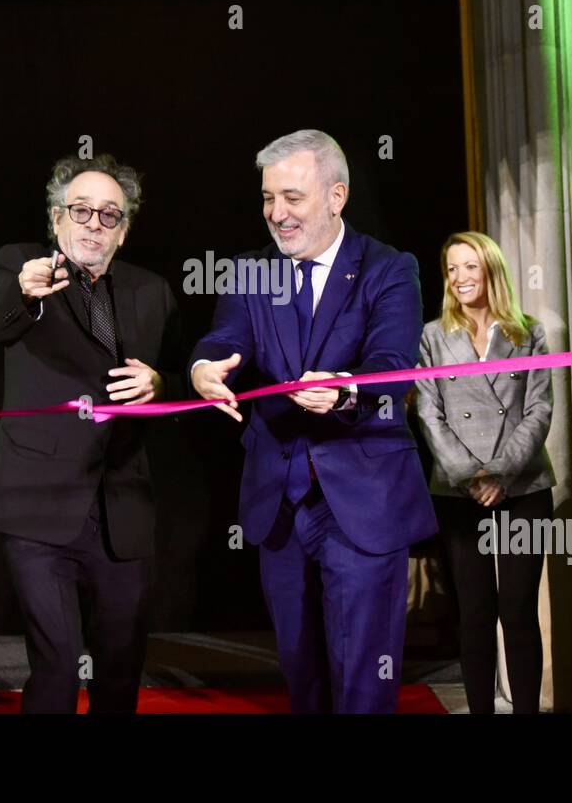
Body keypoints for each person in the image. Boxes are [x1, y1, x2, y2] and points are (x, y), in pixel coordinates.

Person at [190, 129, 436, 713]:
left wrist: (347, 390)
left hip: (361, 499)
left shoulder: (389, 268)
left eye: (292, 198)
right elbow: (226, 337)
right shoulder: (249, 270)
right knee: (302, 674)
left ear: (336, 195)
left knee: (362, 679)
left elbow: (393, 366)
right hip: (277, 502)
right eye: (269, 198)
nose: (277, 214)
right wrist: (205, 366)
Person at [0, 154, 180, 713]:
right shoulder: (22, 265)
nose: (94, 223)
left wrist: (160, 384)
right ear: (57, 217)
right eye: (81, 210)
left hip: (121, 507)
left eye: (109, 214)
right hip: (37, 505)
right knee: (58, 665)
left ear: (124, 229)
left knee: (119, 668)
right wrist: (22, 290)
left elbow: (185, 377)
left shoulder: (152, 291)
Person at [414, 231, 554, 713]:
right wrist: (470, 476)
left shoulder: (529, 332)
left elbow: (539, 410)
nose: (459, 278)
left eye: (469, 267)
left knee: (517, 612)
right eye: (451, 269)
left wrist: (501, 474)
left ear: (490, 270)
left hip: (524, 486)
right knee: (474, 613)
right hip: (460, 491)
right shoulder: (432, 336)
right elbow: (429, 415)